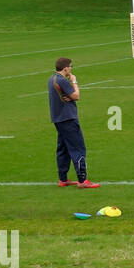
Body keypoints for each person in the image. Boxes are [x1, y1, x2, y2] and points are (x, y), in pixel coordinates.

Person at [48, 57, 100, 188]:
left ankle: (63, 179)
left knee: (63, 149)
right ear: (65, 68)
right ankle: (82, 180)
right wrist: (74, 81)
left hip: (58, 118)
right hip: (68, 119)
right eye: (70, 67)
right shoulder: (62, 81)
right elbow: (76, 96)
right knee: (78, 148)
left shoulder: (51, 79)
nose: (71, 69)